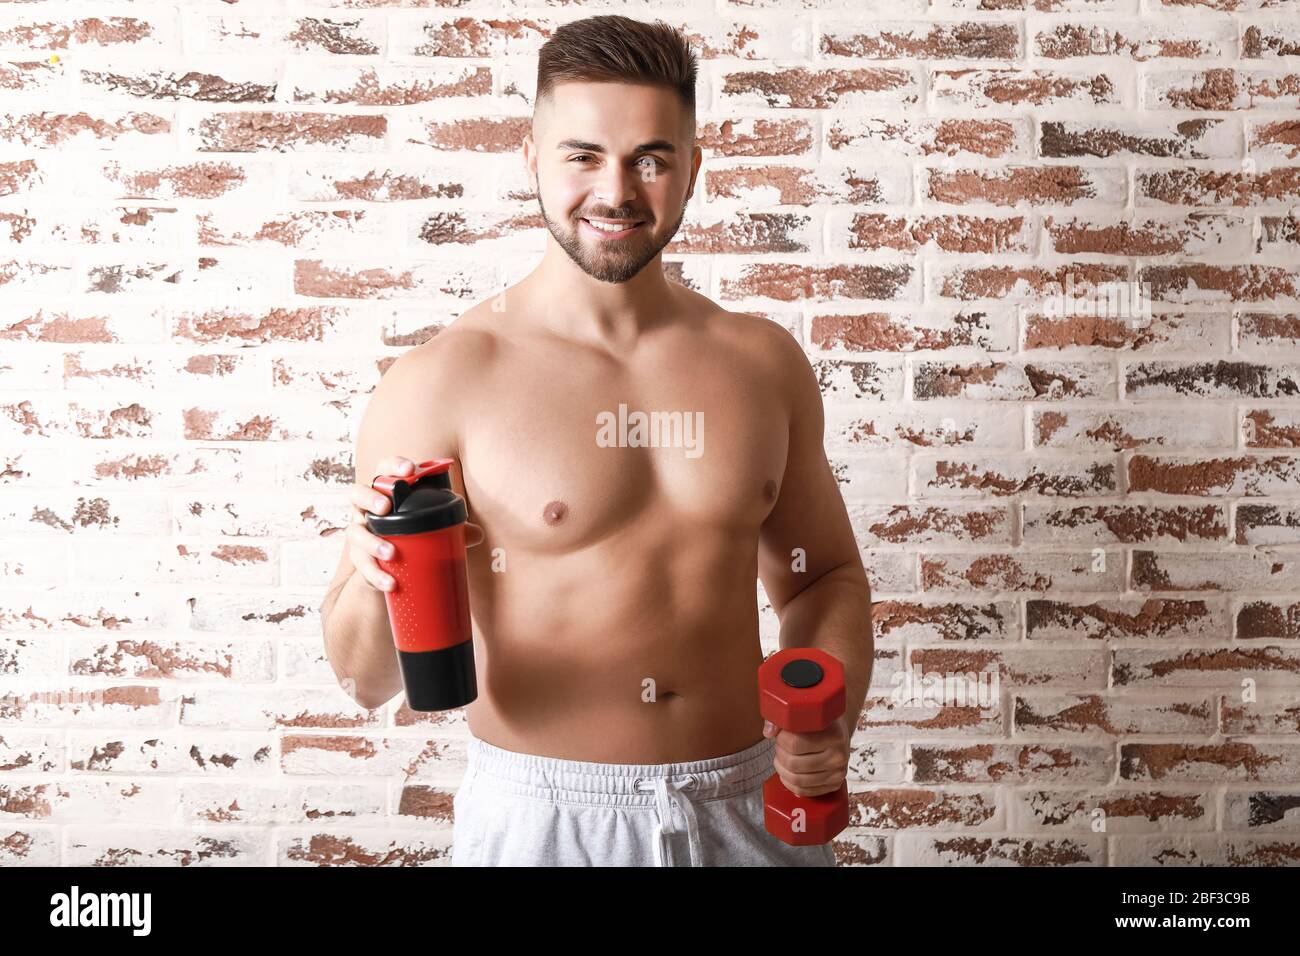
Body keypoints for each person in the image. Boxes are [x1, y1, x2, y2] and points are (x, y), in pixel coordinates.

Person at [321, 14, 873, 867]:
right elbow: (366, 680)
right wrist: (372, 571)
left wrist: (824, 716)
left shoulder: (761, 364)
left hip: (747, 809)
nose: (616, 191)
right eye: (583, 154)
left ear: (693, 166)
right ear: (532, 159)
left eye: (651, 158)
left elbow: (823, 578)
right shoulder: (444, 380)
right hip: (544, 821)